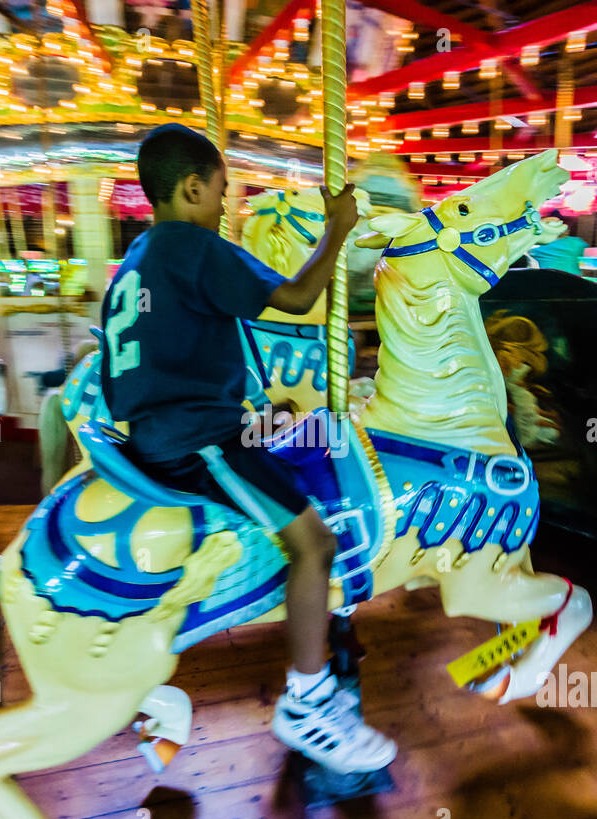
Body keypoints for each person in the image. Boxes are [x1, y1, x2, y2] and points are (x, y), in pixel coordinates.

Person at [100, 123, 396, 776]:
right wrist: (338, 228)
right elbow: (296, 297)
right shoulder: (192, 245)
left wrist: (252, 411)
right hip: (195, 443)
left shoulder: (137, 258)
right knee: (312, 541)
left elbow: (173, 354)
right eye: (223, 193)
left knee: (298, 440)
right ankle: (308, 702)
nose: (225, 207)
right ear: (193, 187)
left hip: (164, 430)